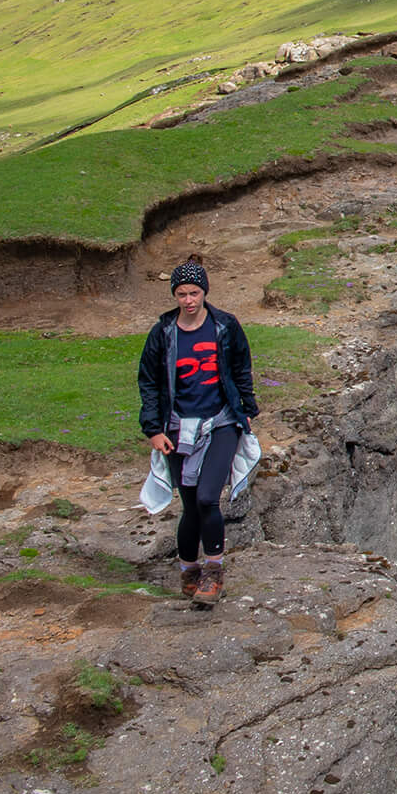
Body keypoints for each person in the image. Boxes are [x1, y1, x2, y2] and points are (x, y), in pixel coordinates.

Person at [136, 257, 258, 606]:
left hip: (221, 421)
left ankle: (214, 573)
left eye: (194, 293)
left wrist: (247, 409)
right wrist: (153, 430)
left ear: (204, 292)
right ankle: (189, 572)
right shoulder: (163, 333)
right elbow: (149, 381)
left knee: (207, 498)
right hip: (178, 427)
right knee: (190, 505)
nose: (188, 300)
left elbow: (241, 367)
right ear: (174, 296)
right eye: (181, 294)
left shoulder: (225, 326)